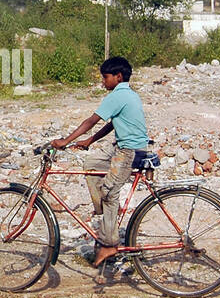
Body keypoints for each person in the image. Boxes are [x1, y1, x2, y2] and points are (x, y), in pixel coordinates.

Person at [51, 57, 148, 266]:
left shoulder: (118, 95)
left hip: (129, 151)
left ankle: (109, 244)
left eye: (105, 77)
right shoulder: (127, 94)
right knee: (91, 164)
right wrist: (90, 141)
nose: (103, 82)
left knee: (109, 192)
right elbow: (113, 123)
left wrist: (66, 141)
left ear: (118, 77)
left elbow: (91, 120)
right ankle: (106, 214)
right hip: (122, 146)